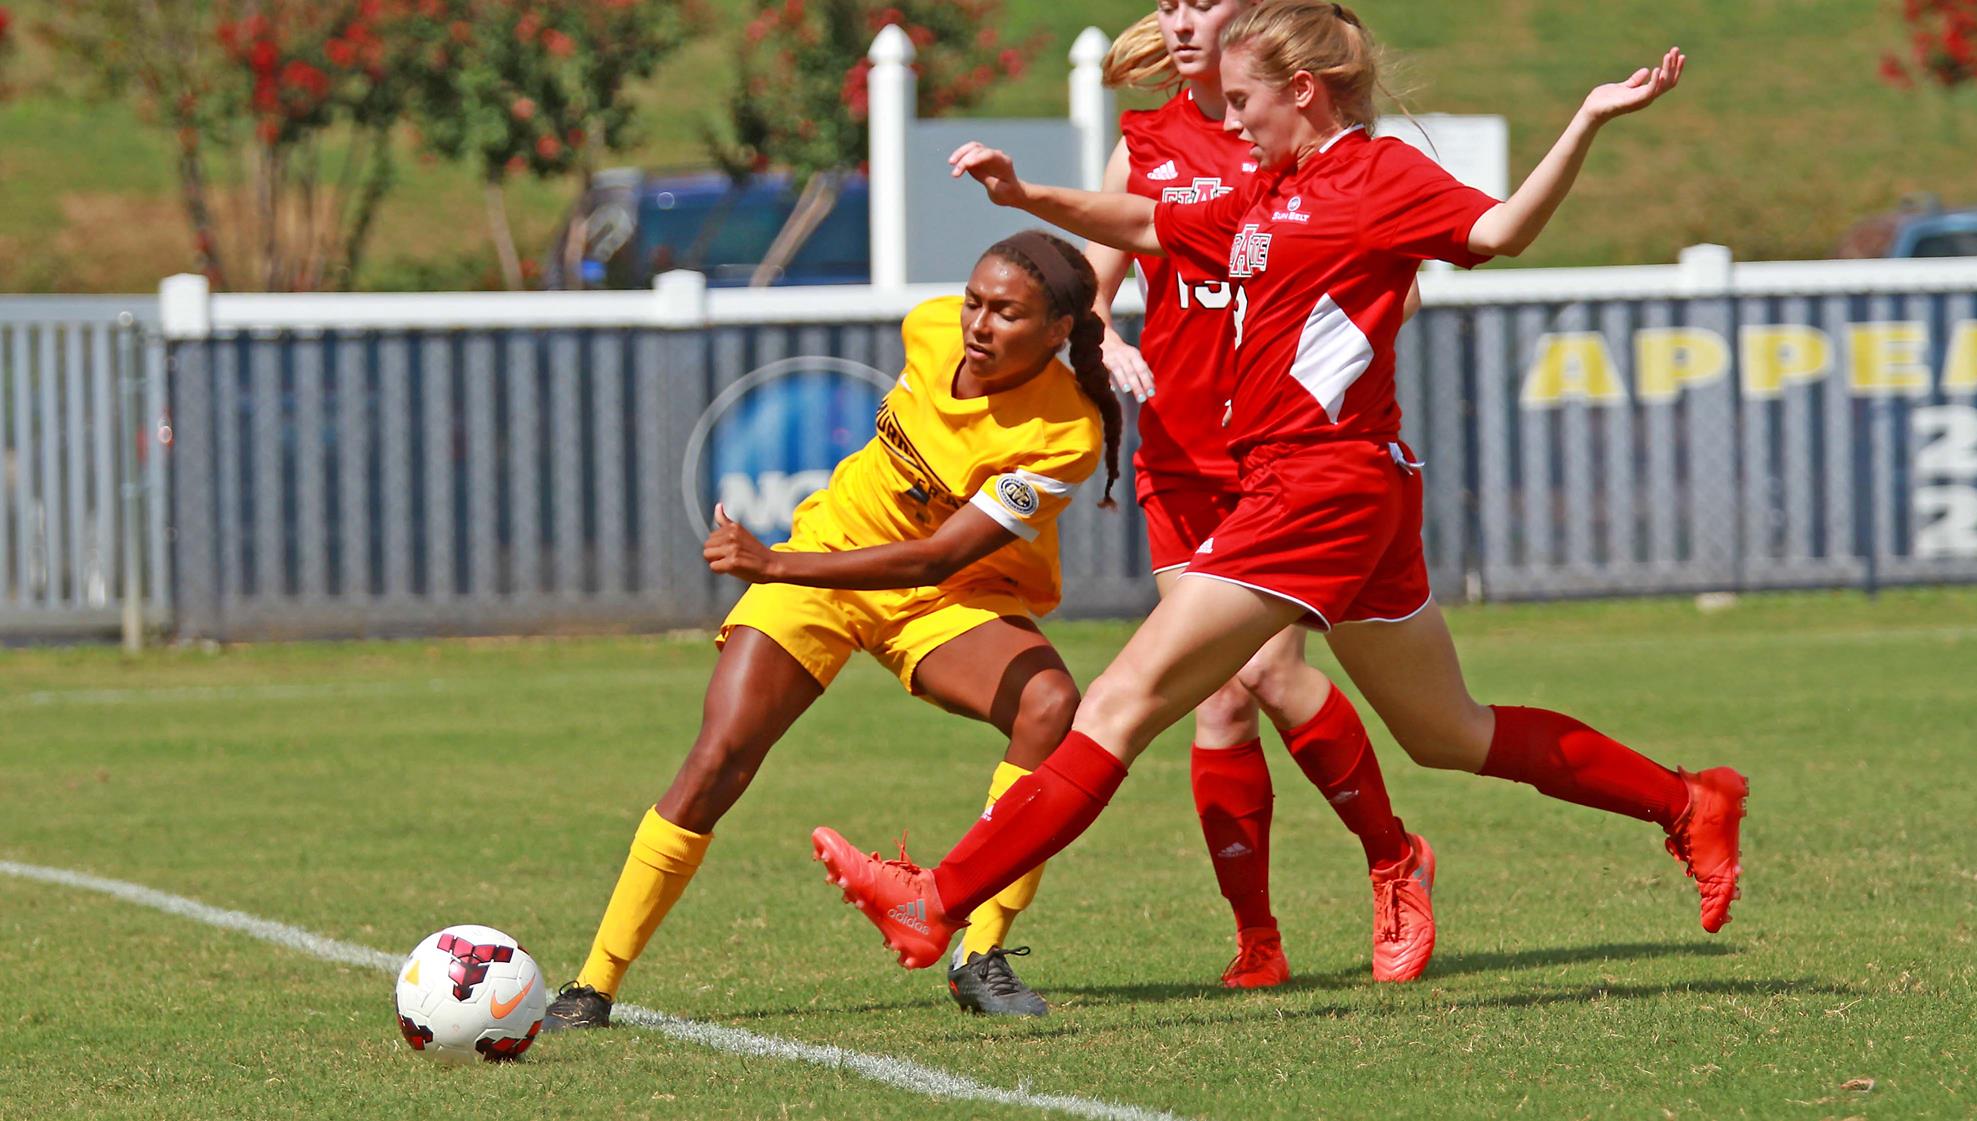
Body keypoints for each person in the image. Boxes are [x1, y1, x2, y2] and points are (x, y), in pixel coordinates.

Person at [810, 2, 1746, 979]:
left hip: (1317, 485)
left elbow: (1500, 229)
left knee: (1123, 701)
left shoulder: (1376, 175)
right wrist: (1024, 193)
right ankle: (1688, 802)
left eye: (1248, 97)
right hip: (1347, 484)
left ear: (1302, 91)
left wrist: (1585, 119)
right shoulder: (1265, 187)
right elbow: (1141, 220)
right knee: (1444, 731)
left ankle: (934, 901)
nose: (1235, 117)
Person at [543, 230, 1118, 1025]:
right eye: (975, 302)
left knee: (1050, 705)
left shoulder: (1065, 435)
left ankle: (977, 950)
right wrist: (790, 566)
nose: (979, 325)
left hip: (935, 587)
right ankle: (593, 982)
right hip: (831, 553)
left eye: (1007, 313)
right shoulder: (928, 328)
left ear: (1058, 329)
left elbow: (935, 557)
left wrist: (773, 564)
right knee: (718, 758)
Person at [1088, 0, 1434, 988]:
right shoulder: (1148, 142)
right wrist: (1103, 337)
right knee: (1217, 704)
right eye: (1169, 4)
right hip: (1178, 457)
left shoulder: (1293, 137)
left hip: (1277, 460)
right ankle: (1258, 938)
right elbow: (1093, 279)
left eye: (1203, 3)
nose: (1181, 19)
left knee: (1264, 676)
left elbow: (1392, 277)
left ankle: (1391, 856)